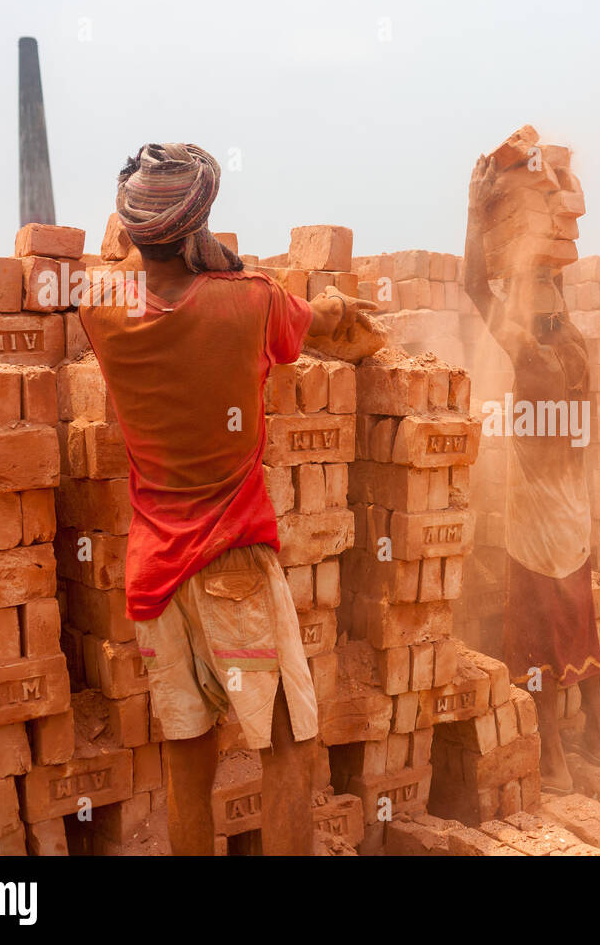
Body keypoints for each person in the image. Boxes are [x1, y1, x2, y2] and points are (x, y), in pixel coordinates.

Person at [80, 142, 382, 854]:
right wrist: (222, 261)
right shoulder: (251, 303)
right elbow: (327, 328)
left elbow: (130, 275)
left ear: (130, 229)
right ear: (196, 225)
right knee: (283, 743)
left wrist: (171, 244)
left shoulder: (102, 312)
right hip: (232, 567)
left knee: (188, 752)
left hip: (154, 578)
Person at [463, 153, 600, 794]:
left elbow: (474, 287)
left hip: (534, 528)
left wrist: (476, 208)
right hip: (573, 518)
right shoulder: (577, 352)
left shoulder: (530, 361)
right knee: (579, 626)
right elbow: (558, 290)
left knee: (534, 639)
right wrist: (552, 225)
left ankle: (553, 757)